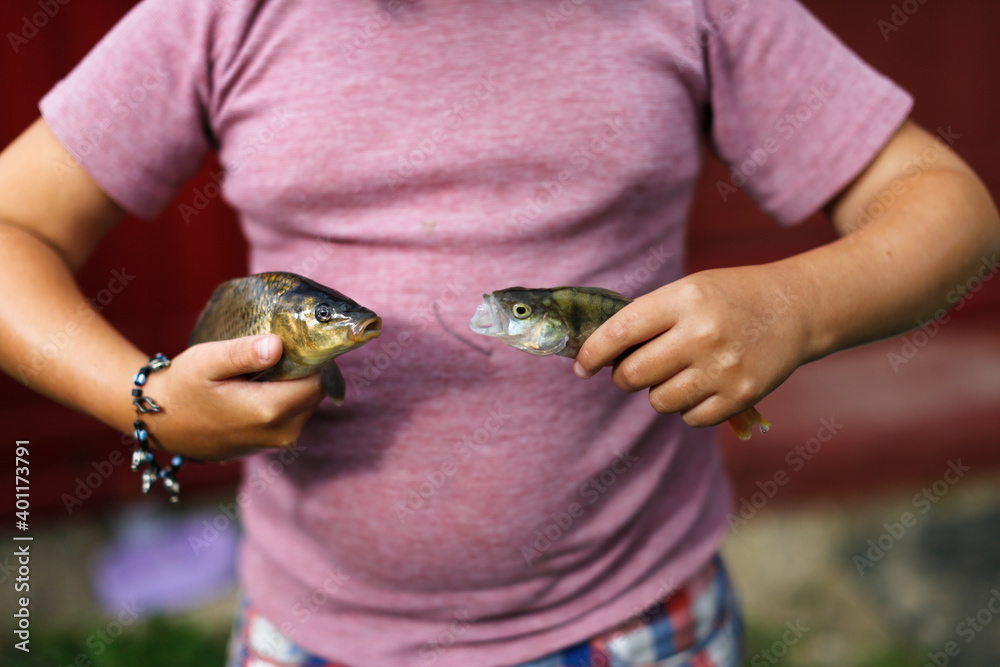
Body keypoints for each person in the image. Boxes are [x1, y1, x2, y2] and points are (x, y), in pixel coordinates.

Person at [0, 0, 997, 665]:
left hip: (638, 619)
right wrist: (139, 396)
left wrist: (798, 305)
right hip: (315, 633)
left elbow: (947, 205)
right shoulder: (219, 15)